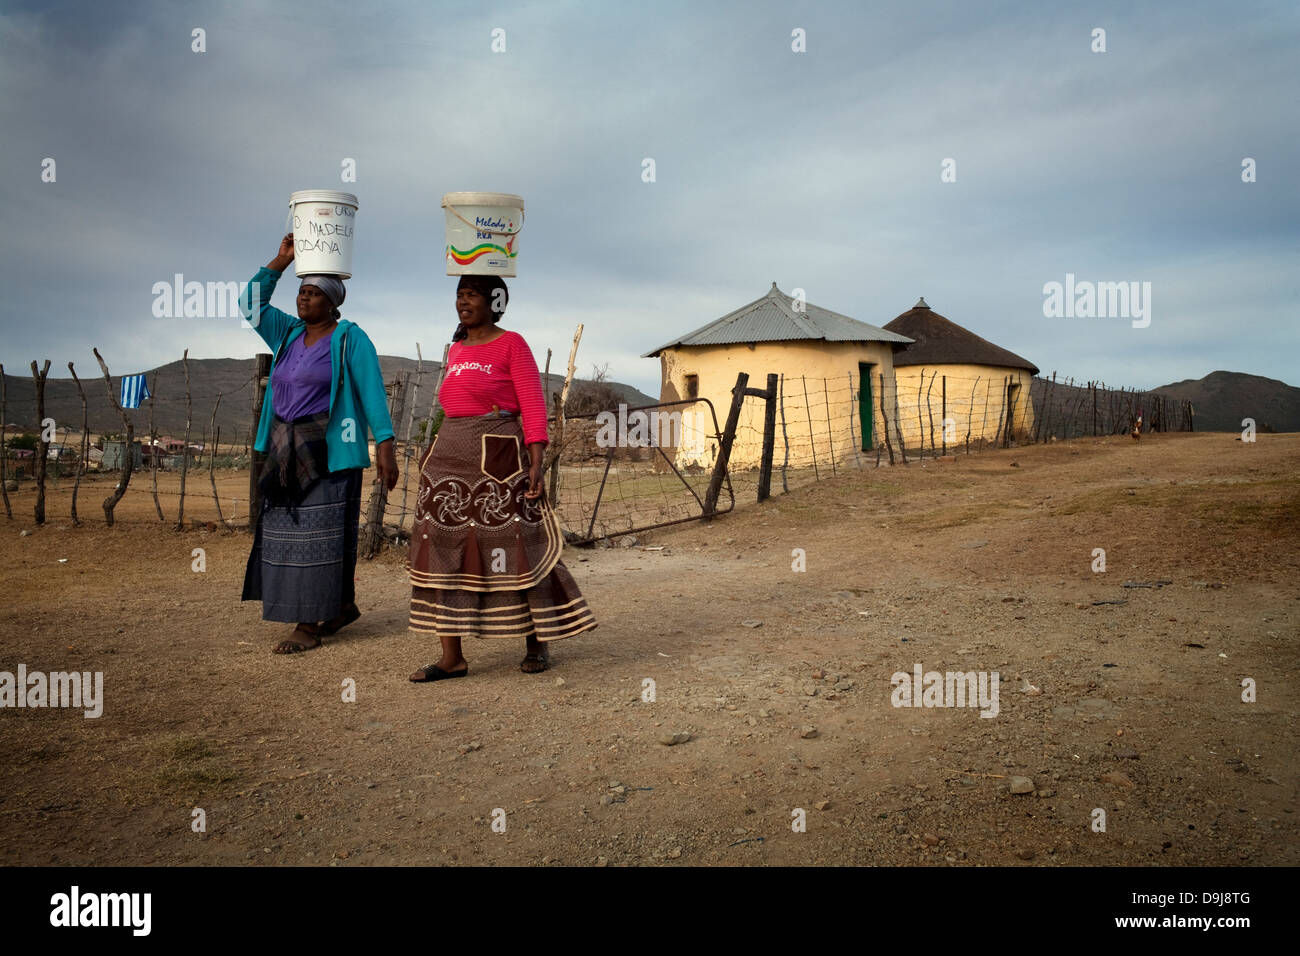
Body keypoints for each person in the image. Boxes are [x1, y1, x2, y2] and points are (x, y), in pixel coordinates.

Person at [407, 274, 596, 680]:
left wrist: (536, 460)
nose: (463, 302)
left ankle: (536, 640)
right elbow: (452, 406)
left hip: (499, 455)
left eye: (471, 294)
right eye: (459, 295)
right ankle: (451, 656)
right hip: (450, 456)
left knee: (515, 541)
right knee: (442, 542)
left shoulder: (512, 343)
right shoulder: (456, 348)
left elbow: (531, 402)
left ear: (495, 300)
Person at [239, 233, 398, 654]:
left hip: (330, 450)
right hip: (284, 450)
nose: (303, 299)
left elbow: (372, 392)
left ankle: (307, 625)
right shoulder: (287, 334)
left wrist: (385, 445)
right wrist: (281, 260)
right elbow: (249, 304)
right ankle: (341, 606)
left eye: (313, 294)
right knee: (288, 532)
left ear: (332, 302)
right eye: (301, 292)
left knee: (320, 537)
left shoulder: (349, 339)